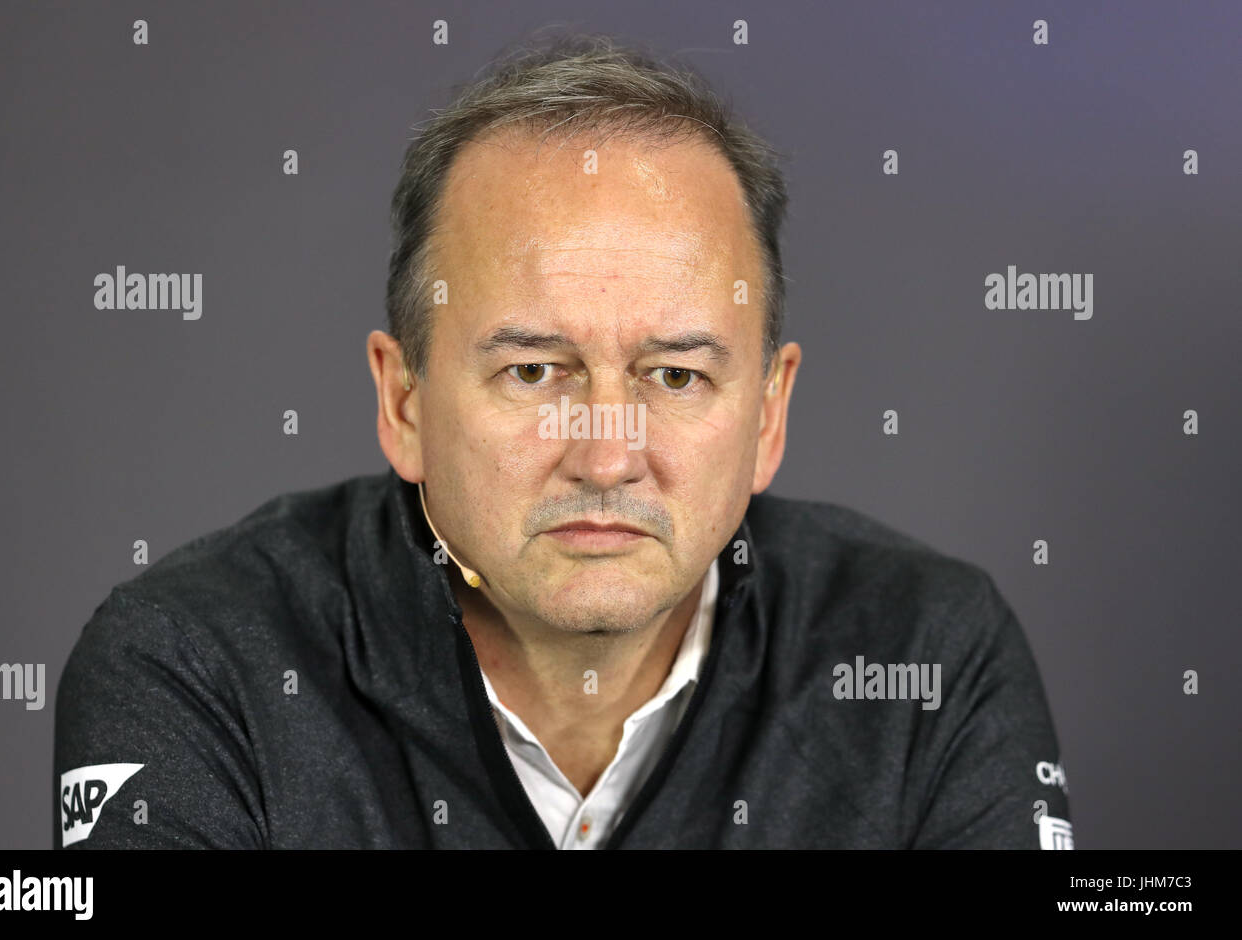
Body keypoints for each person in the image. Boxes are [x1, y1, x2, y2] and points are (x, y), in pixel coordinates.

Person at [54, 33, 1072, 849]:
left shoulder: (926, 653)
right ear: (402, 401)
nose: (605, 453)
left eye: (674, 375)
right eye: (533, 371)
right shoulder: (198, 660)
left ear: (767, 415)